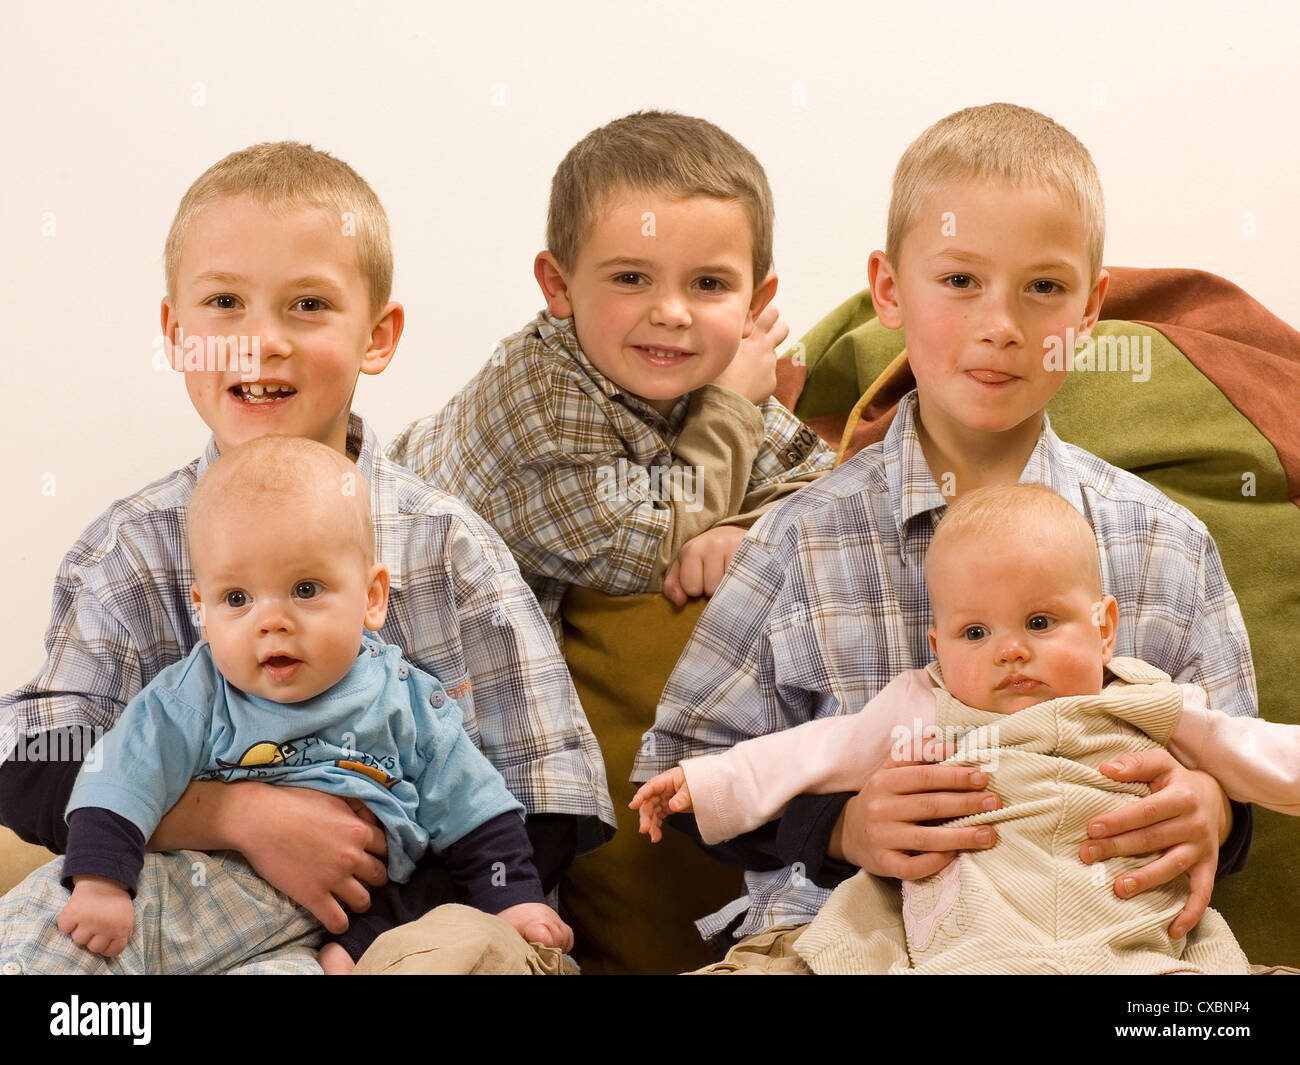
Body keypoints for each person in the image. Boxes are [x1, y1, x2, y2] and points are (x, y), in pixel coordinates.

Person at [634, 103, 1257, 969]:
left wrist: (1213, 811)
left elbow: (1234, 754)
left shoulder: (1164, 544)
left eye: (1043, 287)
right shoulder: (796, 542)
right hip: (839, 943)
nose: (1001, 324)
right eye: (960, 281)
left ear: (1090, 308)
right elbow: (686, 775)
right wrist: (841, 825)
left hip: (1102, 942)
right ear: (889, 288)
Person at [0, 142, 615, 975]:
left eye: (308, 305)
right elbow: (34, 769)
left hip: (397, 919)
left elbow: (541, 813)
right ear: (177, 336)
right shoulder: (132, 546)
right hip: (172, 902)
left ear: (378, 335)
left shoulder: (448, 545)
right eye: (224, 303)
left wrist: (357, 928)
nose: (261, 343)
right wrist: (235, 817)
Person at [634, 484, 1294, 973]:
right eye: (976, 632)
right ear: (939, 646)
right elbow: (814, 752)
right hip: (971, 944)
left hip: (1126, 940)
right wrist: (706, 781)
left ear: (1103, 626)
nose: (1009, 650)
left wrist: (1219, 806)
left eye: (1039, 622)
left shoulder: (1150, 700)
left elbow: (1246, 746)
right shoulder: (925, 707)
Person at [3, 437, 569, 974]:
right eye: (237, 598)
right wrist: (102, 882)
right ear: (202, 608)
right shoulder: (194, 693)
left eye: (304, 589)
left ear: (372, 598)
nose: (270, 621)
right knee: (40, 936)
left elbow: (477, 814)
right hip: (165, 892)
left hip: (305, 936)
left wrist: (512, 903)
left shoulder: (407, 702)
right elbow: (122, 775)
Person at [387, 111, 833, 641]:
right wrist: (730, 407)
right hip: (384, 659)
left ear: (755, 304)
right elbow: (652, 554)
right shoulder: (541, 397)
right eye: (631, 278)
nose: (671, 312)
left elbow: (825, 489)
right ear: (559, 286)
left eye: (708, 283)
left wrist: (743, 529)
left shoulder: (711, 372)